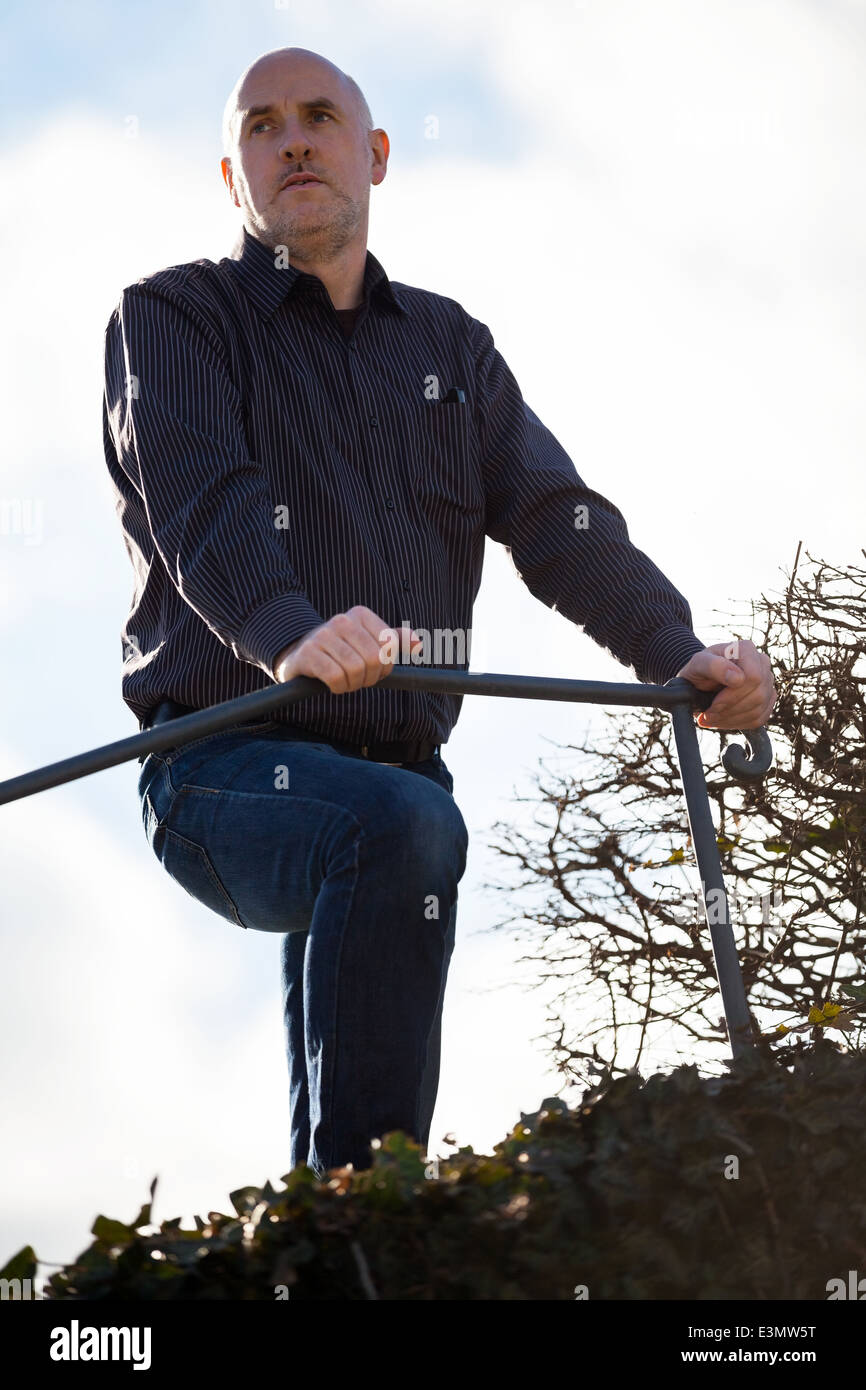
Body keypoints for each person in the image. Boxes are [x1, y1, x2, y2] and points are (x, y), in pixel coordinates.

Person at [102, 47, 776, 1179]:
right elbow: (198, 496)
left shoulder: (449, 347)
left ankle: (347, 1226)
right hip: (217, 770)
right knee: (396, 834)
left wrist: (681, 653)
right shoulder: (173, 315)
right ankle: (372, 1211)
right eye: (262, 127)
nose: (295, 140)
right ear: (233, 176)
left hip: (393, 772)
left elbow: (556, 520)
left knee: (395, 825)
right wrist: (287, 630)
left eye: (320, 117)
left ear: (371, 155)